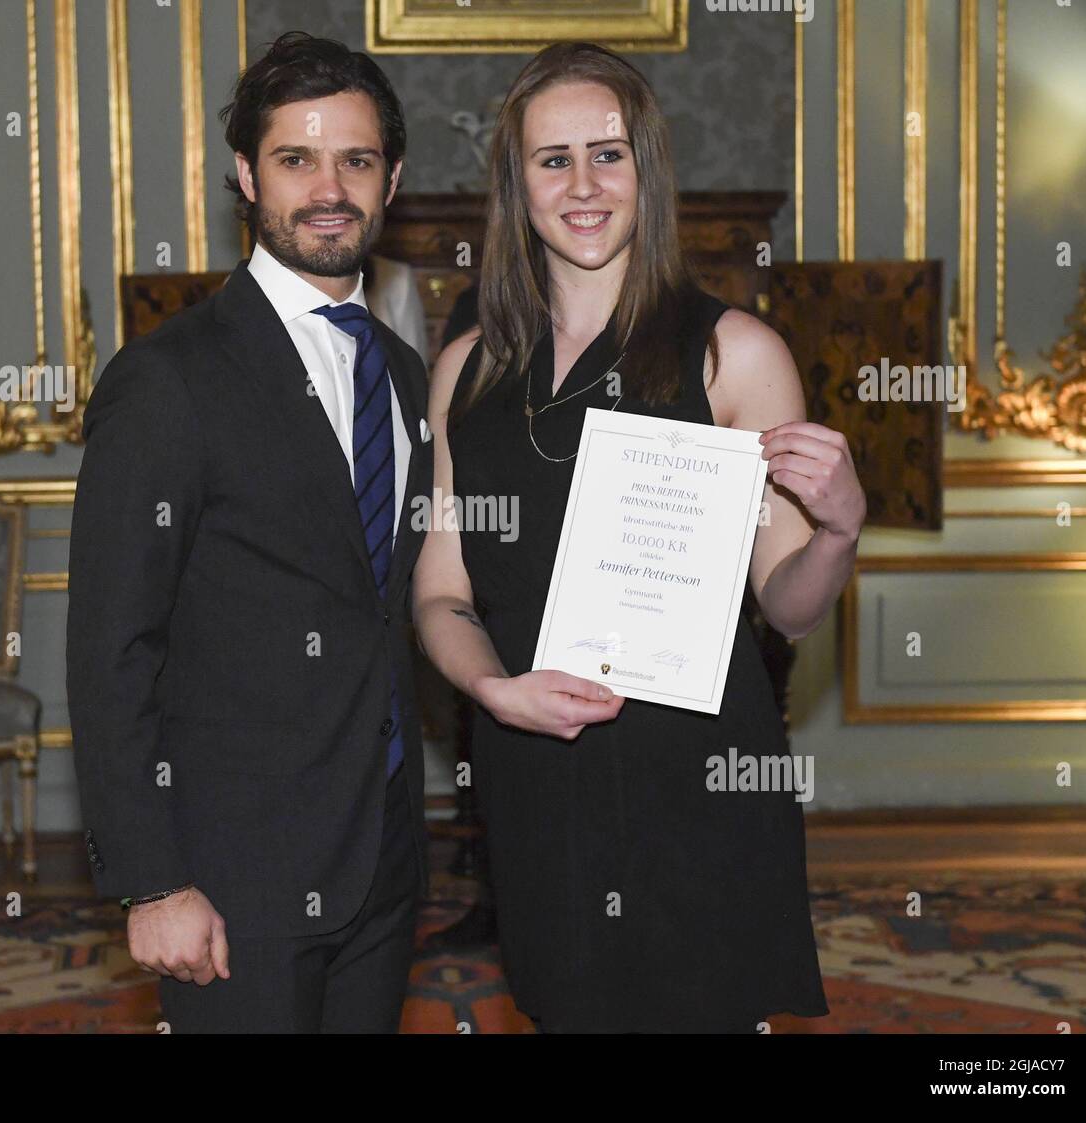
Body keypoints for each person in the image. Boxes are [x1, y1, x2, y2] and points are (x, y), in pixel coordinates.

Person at [412, 42, 866, 1033]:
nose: (581, 185)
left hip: (697, 775)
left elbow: (785, 601)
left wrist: (837, 530)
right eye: (551, 159)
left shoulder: (730, 353)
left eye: (607, 155)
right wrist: (492, 688)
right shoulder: (465, 374)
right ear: (515, 184)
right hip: (537, 768)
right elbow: (440, 590)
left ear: (647, 172)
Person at [67, 32, 432, 1033]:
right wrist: (151, 880)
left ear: (391, 178)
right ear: (244, 173)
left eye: (356, 159)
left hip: (383, 862)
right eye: (295, 158)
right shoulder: (168, 379)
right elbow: (111, 648)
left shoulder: (401, 376)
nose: (329, 186)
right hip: (230, 878)